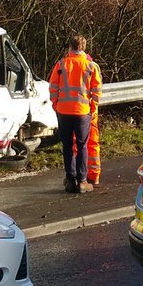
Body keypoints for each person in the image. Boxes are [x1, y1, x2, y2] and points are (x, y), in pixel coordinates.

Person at [48, 36, 102, 194]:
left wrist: (56, 104)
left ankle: (70, 180)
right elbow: (97, 90)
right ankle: (83, 181)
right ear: (84, 47)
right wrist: (93, 108)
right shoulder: (91, 66)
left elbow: (53, 87)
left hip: (63, 111)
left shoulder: (61, 64)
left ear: (70, 47)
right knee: (82, 145)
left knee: (67, 146)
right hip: (82, 111)